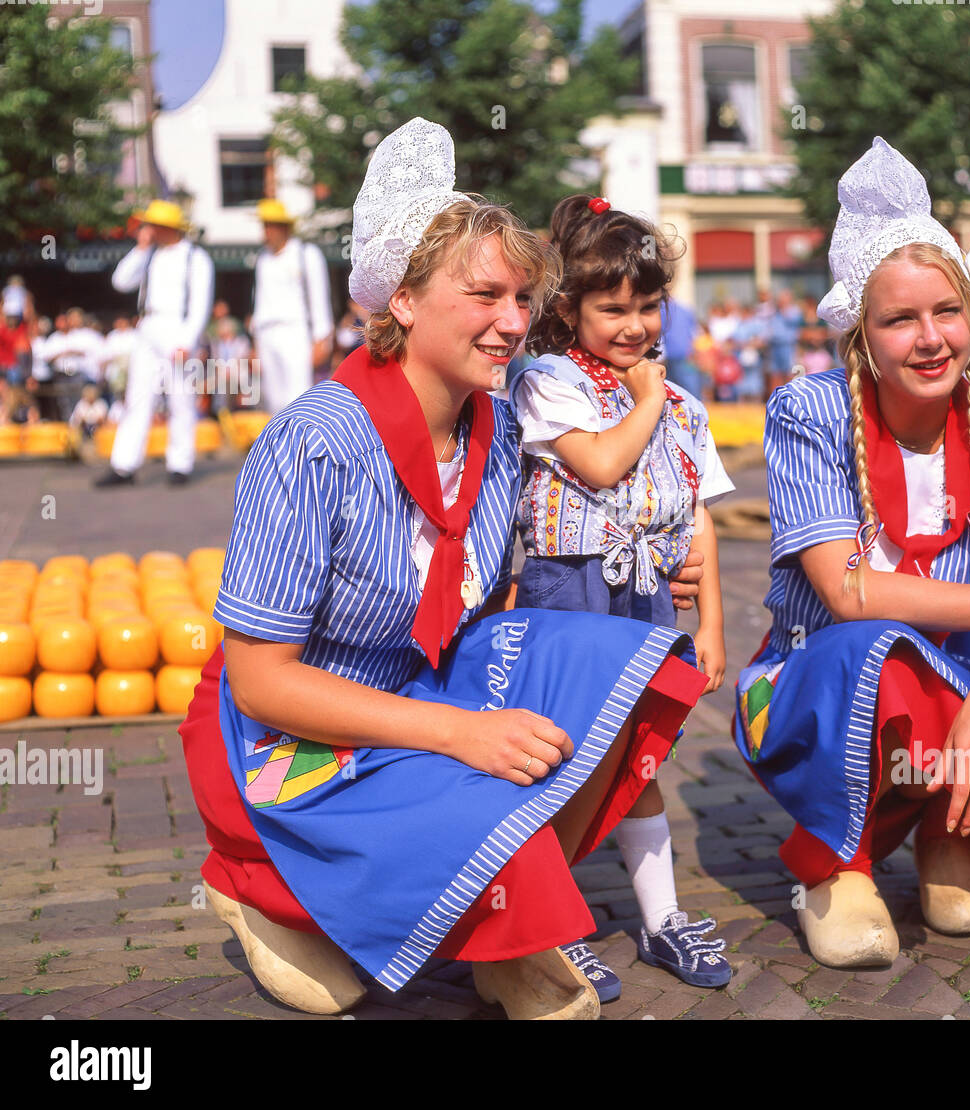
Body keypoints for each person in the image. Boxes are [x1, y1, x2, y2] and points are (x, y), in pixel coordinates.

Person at [179, 119, 710, 1021]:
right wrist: (460, 733)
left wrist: (662, 558)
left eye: (521, 299)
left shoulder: (496, 428)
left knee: (626, 666)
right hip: (303, 732)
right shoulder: (313, 443)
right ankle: (269, 888)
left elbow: (499, 583)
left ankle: (476, 907)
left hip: (419, 693)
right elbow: (262, 681)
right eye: (486, 296)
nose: (514, 324)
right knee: (492, 774)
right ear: (403, 300)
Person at [734, 137, 970, 969]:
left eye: (945, 313)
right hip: (820, 682)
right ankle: (837, 861)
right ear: (861, 336)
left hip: (950, 688)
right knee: (878, 649)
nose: (930, 337)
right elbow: (851, 594)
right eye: (900, 319)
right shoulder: (810, 415)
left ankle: (948, 833)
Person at [509, 194, 733, 1000]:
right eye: (613, 309)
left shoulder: (683, 406)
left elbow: (698, 512)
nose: (634, 324)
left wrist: (709, 622)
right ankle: (549, 922)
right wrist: (644, 400)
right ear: (569, 308)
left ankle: (661, 916)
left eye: (648, 305)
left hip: (645, 600)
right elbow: (600, 466)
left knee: (639, 758)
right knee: (570, 758)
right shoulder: (548, 382)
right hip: (570, 598)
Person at [96, 199, 214, 486]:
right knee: (137, 397)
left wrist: (188, 339)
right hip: (148, 326)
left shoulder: (195, 257)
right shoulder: (149, 255)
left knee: (180, 398)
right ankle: (124, 465)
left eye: (153, 225)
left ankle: (180, 464)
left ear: (168, 227)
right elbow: (121, 281)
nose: (148, 229)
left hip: (178, 326)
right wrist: (140, 248)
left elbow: (201, 303)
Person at [251, 199, 334, 414]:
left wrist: (321, 338)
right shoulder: (262, 259)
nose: (266, 231)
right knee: (273, 400)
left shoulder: (306, 254)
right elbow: (259, 302)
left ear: (284, 227)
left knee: (298, 397)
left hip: (295, 331)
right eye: (265, 225)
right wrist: (256, 341)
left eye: (270, 225)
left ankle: (302, 446)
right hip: (267, 332)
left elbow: (319, 298)